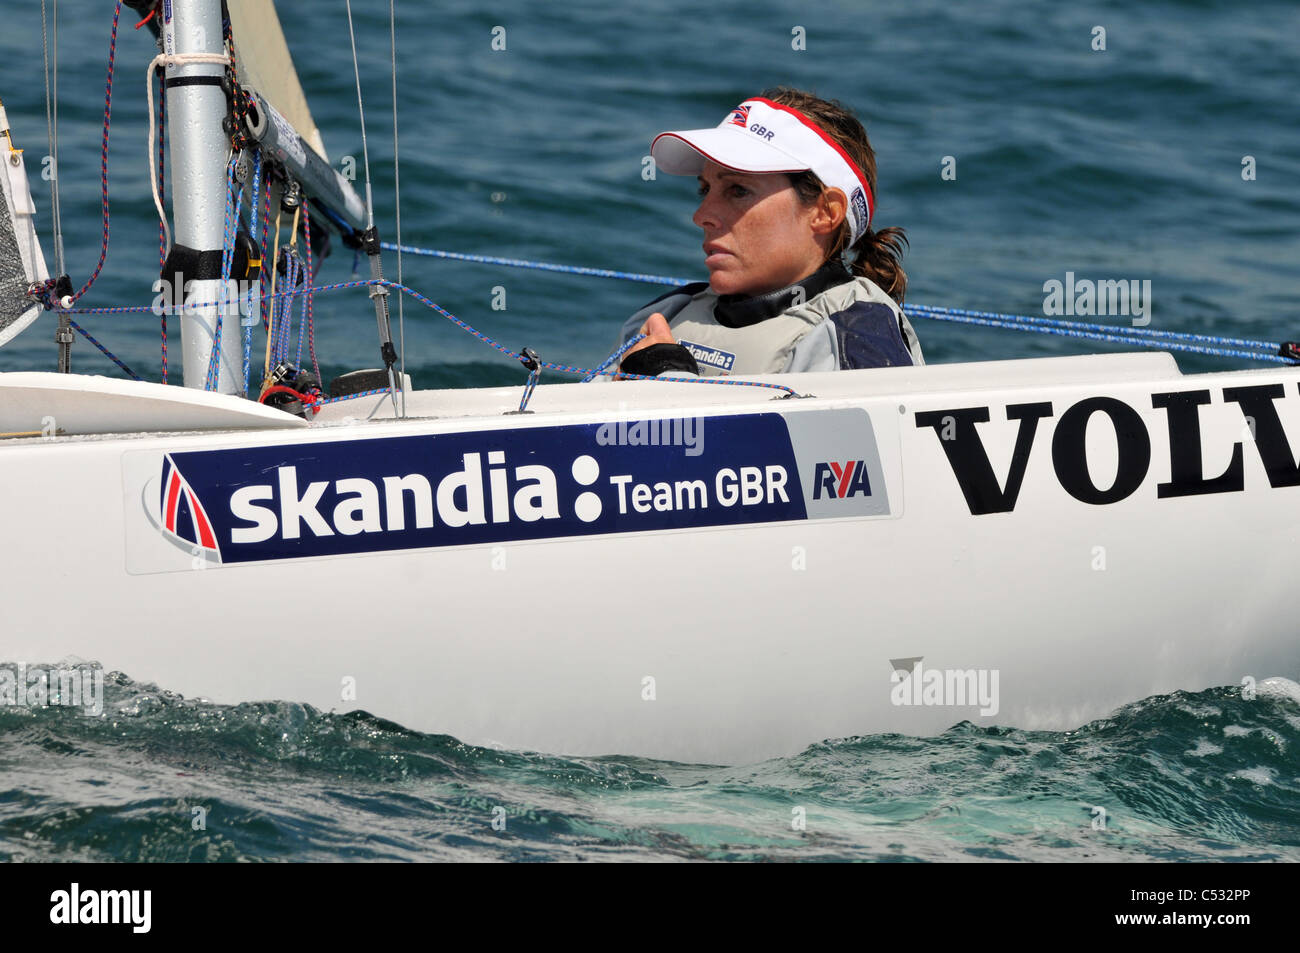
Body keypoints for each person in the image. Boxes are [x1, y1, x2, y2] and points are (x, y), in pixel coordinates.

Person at [609, 86, 923, 379]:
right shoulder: (667, 313)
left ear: (825, 212)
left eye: (738, 190)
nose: (701, 215)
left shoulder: (856, 336)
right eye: (705, 189)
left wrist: (669, 380)